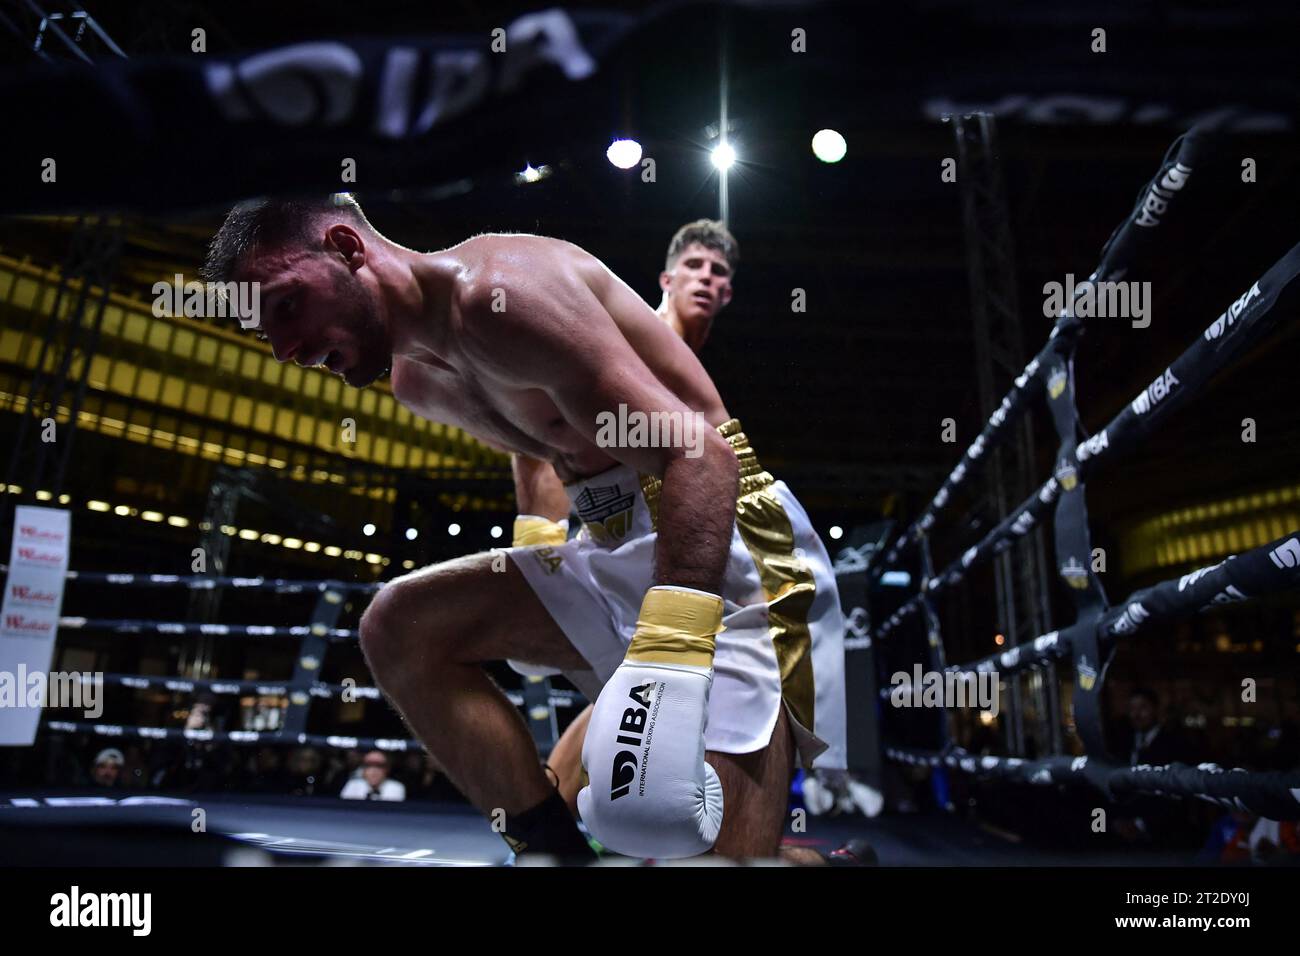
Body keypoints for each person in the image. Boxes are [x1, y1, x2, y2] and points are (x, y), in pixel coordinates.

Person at [205, 194, 845, 861]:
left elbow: (700, 458)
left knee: (721, 856)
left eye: (285, 306)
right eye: (264, 334)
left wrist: (669, 656)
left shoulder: (500, 292)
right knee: (398, 625)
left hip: (720, 539)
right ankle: (552, 854)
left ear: (346, 247)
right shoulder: (417, 382)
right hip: (606, 544)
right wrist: (539, 542)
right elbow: (538, 436)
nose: (286, 349)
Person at [507, 220, 740, 814]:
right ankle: (551, 829)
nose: (706, 280)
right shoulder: (639, 334)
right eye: (695, 267)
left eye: (718, 273)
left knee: (638, 686)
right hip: (623, 536)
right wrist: (539, 541)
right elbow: (546, 413)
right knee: (661, 681)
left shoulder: (684, 355)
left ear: (729, 293)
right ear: (666, 278)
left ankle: (549, 831)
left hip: (651, 534)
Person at [340, 750, 407, 801]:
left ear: (387, 769)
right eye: (369, 766)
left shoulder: (396, 788)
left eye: (379, 766)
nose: (374, 771)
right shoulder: (352, 785)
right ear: (363, 770)